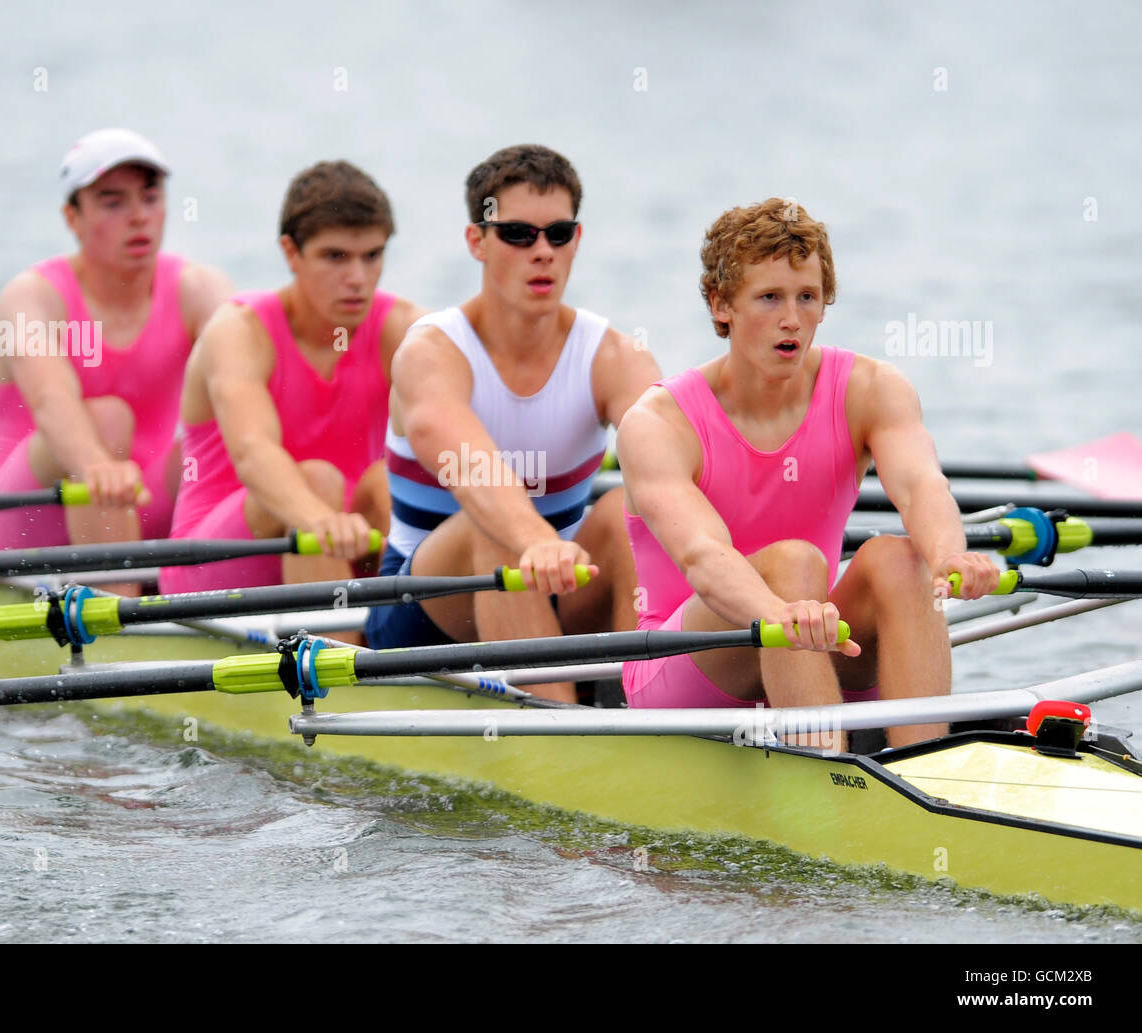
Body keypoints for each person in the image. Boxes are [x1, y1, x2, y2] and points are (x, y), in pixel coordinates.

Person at [617, 197, 1002, 749]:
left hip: (818, 645)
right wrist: (782, 617)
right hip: (686, 673)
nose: (792, 319)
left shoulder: (873, 389)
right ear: (721, 304)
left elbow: (921, 487)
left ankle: (924, 769)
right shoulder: (658, 422)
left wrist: (949, 555)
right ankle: (825, 786)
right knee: (793, 562)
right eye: (769, 298)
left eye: (807, 297)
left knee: (900, 557)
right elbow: (704, 556)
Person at [366, 144, 662, 702]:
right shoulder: (433, 351)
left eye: (558, 233)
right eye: (518, 235)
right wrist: (533, 540)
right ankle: (561, 743)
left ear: (577, 239)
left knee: (632, 506)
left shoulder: (613, 356)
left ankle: (650, 710)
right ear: (477, 241)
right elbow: (470, 464)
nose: (542, 251)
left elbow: (676, 457)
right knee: (496, 529)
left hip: (566, 586)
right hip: (423, 606)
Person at [0, 128, 234, 568]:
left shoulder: (199, 288)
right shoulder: (32, 296)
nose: (138, 217)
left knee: (228, 437)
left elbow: (256, 380)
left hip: (144, 505)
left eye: (150, 198)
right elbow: (52, 399)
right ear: (72, 218)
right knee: (107, 417)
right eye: (114, 203)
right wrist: (95, 467)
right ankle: (115, 605)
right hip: (23, 524)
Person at [158, 161, 425, 594]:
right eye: (335, 257)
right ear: (290, 252)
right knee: (317, 480)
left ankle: (397, 640)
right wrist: (320, 520)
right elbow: (252, 451)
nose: (357, 278)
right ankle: (342, 652)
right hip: (215, 566)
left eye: (372, 256)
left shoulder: (405, 328)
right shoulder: (240, 331)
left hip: (345, 549)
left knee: (387, 482)